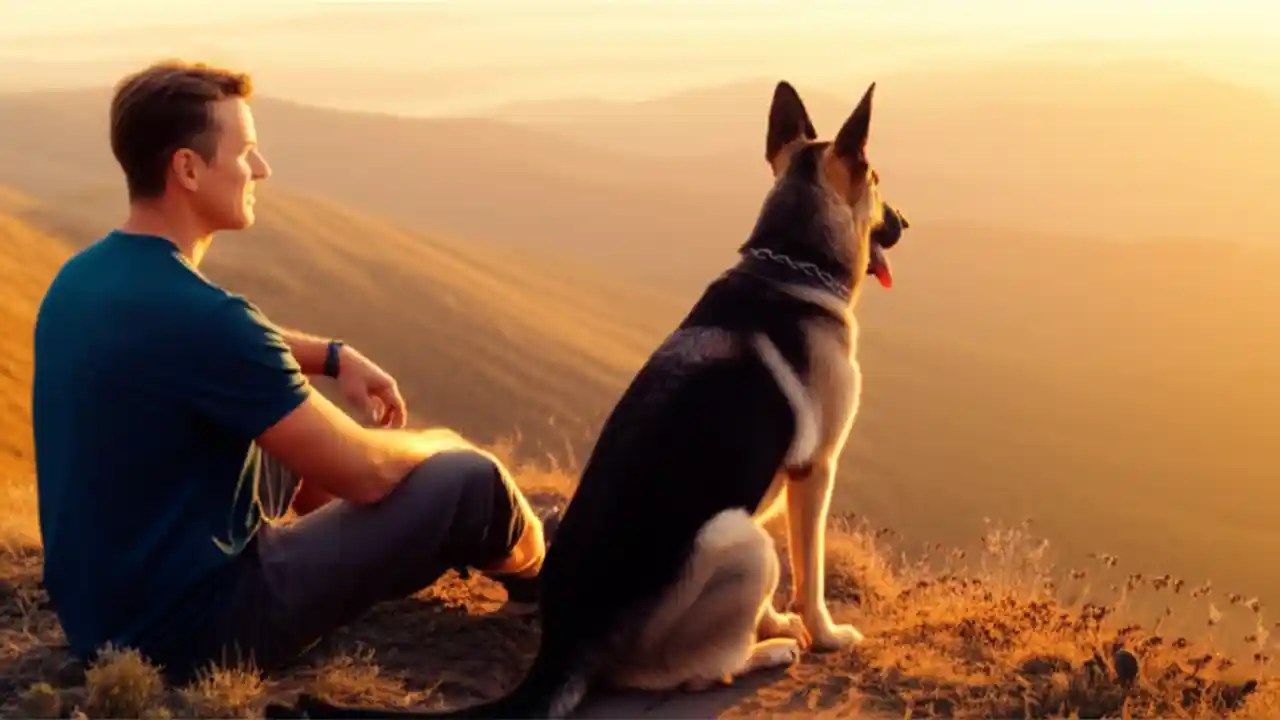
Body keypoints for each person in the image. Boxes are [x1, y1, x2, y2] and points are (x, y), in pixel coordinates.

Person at [31, 60, 551, 683]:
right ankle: (545, 573)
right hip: (198, 634)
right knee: (471, 479)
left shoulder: (81, 279)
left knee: (275, 415)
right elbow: (368, 472)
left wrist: (330, 356)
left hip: (103, 617)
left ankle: (337, 554)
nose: (260, 169)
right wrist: (443, 446)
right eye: (245, 151)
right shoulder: (205, 319)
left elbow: (215, 350)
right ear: (188, 169)